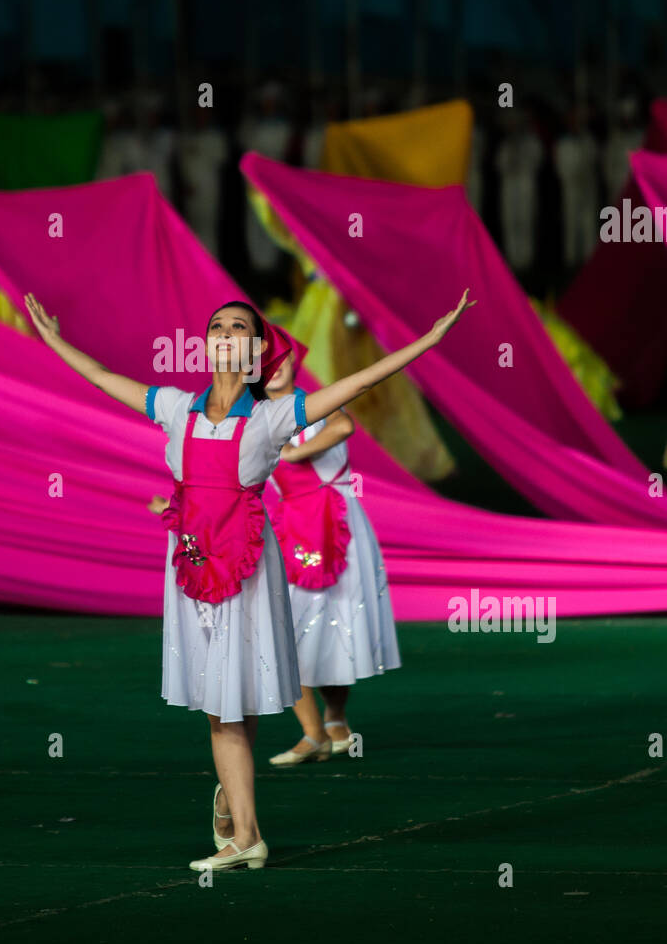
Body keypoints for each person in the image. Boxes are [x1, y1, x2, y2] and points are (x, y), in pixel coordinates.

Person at [24, 290, 474, 872]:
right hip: (191, 561)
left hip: (248, 569)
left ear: (256, 350)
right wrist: (55, 338)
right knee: (222, 704)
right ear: (207, 345)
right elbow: (102, 376)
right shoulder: (175, 407)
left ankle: (245, 829)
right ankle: (242, 821)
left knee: (232, 701)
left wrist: (429, 340)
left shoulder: (274, 416)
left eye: (239, 327)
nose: (225, 333)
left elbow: (358, 384)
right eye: (217, 327)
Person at [262, 348, 400, 766]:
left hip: (338, 524)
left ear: (293, 365)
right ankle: (312, 734)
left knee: (336, 627)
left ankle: (335, 717)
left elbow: (343, 424)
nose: (271, 369)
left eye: (278, 359)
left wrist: (292, 453)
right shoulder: (255, 422)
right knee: (285, 631)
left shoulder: (318, 405)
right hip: (292, 527)